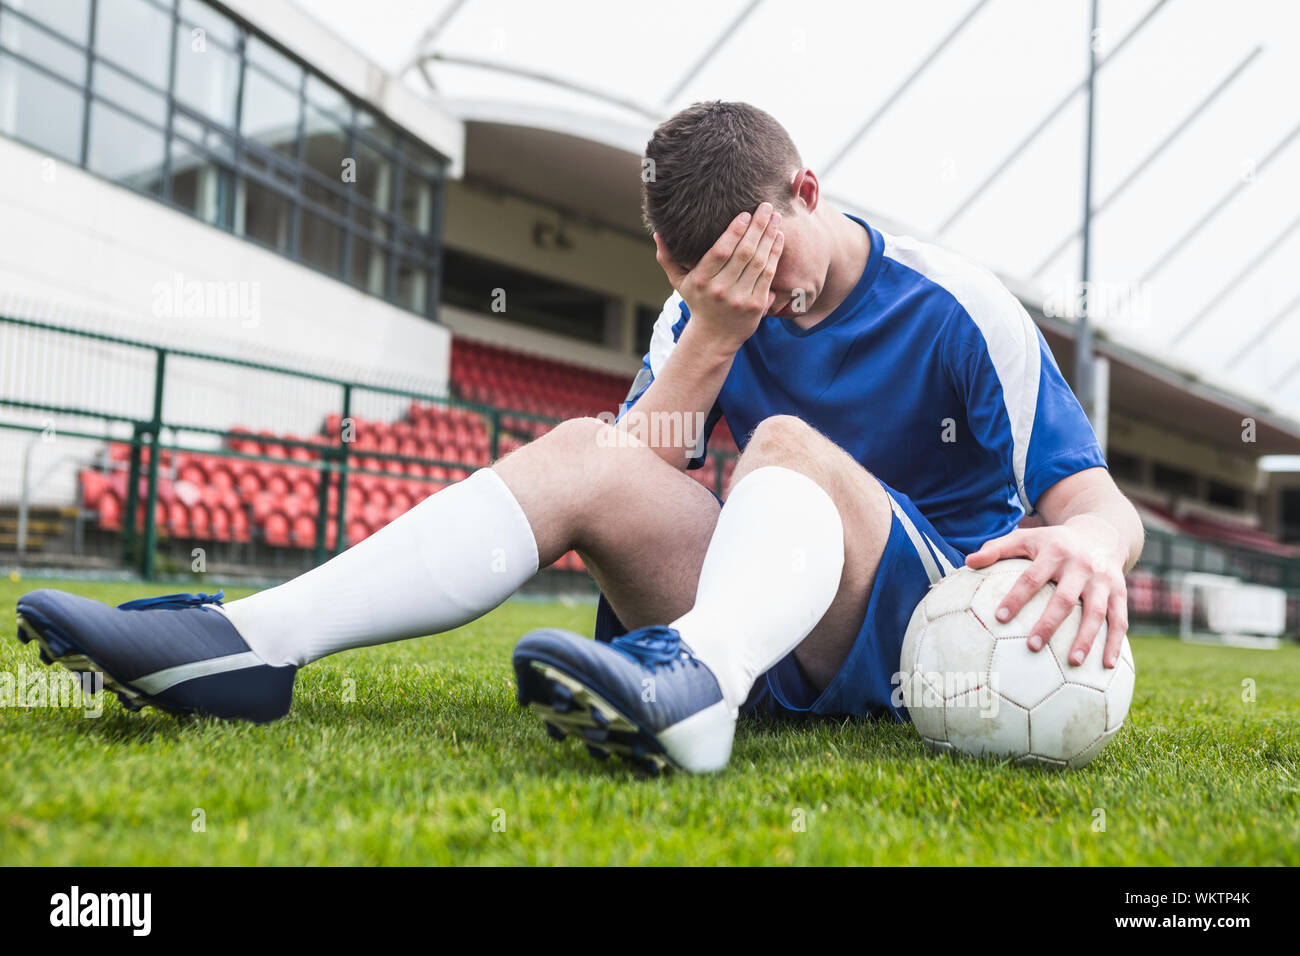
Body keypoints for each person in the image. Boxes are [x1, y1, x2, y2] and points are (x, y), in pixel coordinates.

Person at [14, 102, 1143, 774]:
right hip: (763, 610)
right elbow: (634, 475)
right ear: (670, 260)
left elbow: (1095, 500)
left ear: (807, 188)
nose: (763, 291)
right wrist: (714, 329)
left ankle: (695, 694)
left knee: (783, 441)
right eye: (702, 274)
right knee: (580, 446)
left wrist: (1092, 550)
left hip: (927, 630)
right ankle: (247, 643)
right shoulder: (700, 306)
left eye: (767, 260)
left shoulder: (958, 302)